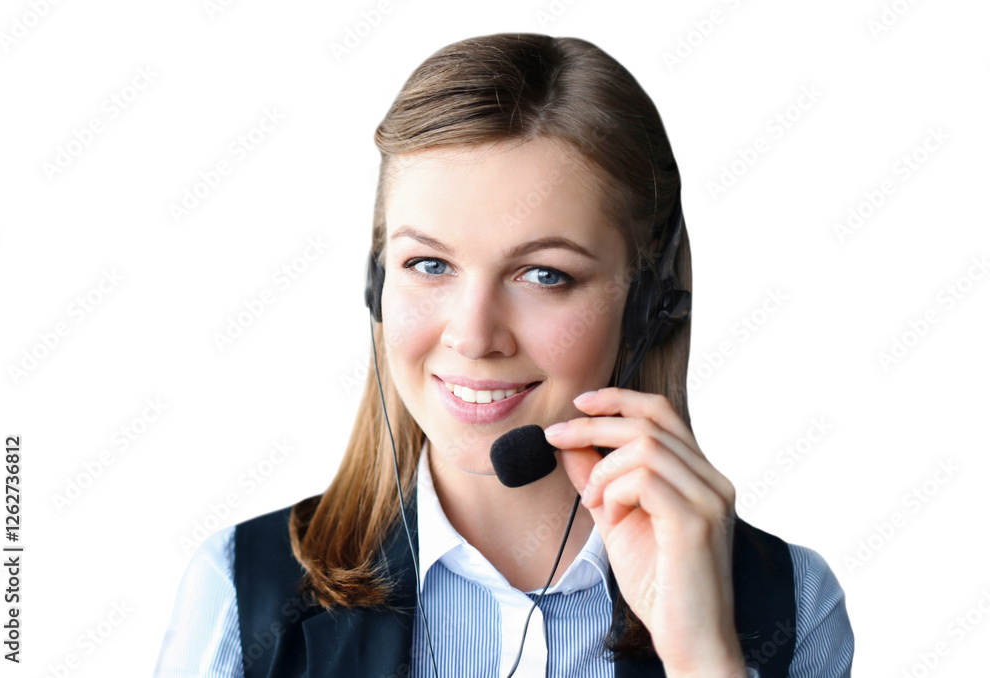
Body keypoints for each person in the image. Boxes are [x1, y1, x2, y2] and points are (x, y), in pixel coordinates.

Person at [153, 32, 854, 677]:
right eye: (429, 265)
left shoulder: (788, 601)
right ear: (377, 285)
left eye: (544, 275)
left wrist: (705, 656)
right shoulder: (240, 591)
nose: (474, 334)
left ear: (646, 306)